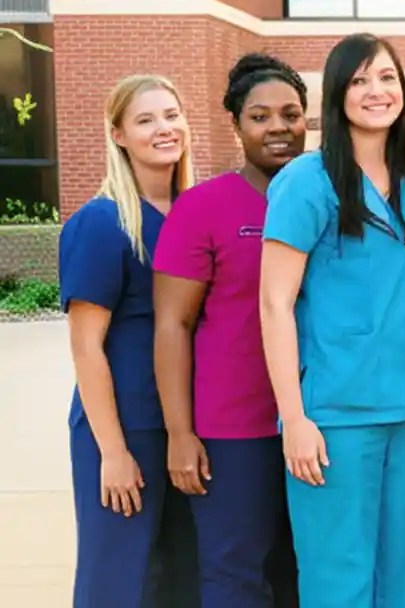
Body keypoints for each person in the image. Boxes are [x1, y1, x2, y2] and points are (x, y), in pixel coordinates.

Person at [259, 33, 405, 607]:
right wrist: (293, 417)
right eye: (361, 79)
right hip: (336, 417)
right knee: (340, 580)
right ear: (338, 93)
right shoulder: (307, 182)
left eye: (388, 78)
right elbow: (274, 303)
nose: (377, 91)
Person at [152, 53, 308, 608]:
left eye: (290, 114)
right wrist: (179, 432)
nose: (278, 129)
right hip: (233, 429)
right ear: (236, 125)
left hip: (317, 419)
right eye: (259, 117)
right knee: (234, 571)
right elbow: (172, 324)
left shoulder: (327, 199)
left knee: (303, 570)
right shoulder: (203, 207)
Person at [59, 74, 199, 607]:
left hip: (187, 425)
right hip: (127, 426)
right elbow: (85, 347)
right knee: (120, 579)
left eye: (171, 114)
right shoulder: (101, 223)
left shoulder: (194, 214)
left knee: (180, 577)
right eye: (146, 120)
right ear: (119, 135)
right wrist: (112, 452)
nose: (164, 129)